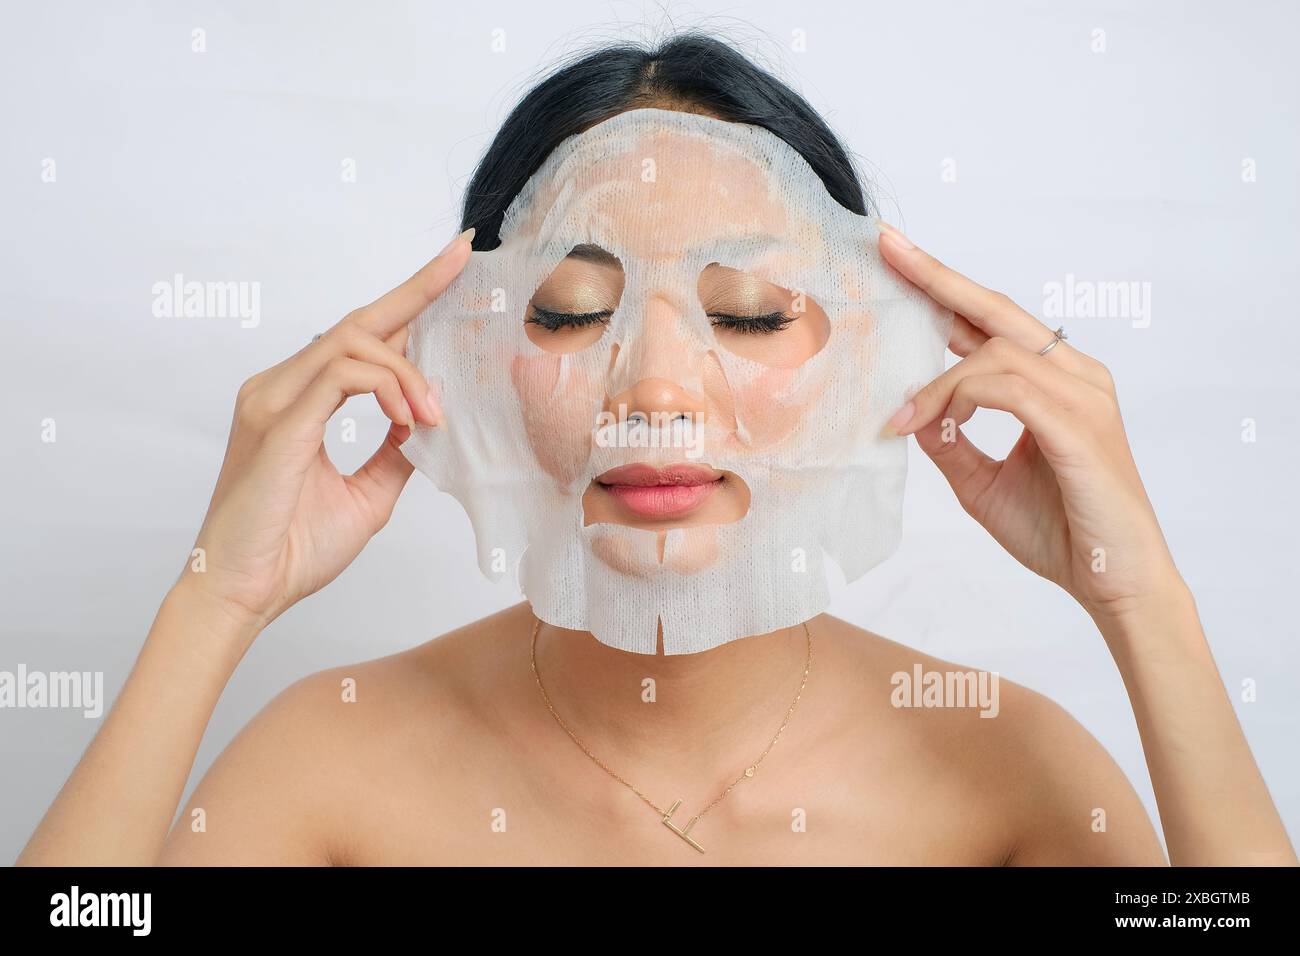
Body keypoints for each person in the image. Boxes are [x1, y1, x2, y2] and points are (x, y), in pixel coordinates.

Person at [17, 33, 1296, 866]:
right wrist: (212, 599)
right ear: (468, 353)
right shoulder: (326, 765)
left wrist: (1148, 607)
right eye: (573, 314)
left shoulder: (1012, 774)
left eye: (747, 312)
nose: (656, 389)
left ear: (863, 352)